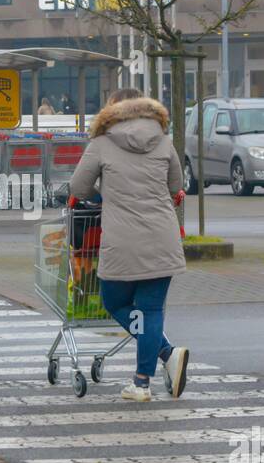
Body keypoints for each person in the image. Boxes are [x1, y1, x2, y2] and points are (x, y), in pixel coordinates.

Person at [69, 88, 190, 401]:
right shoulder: (164, 141)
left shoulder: (101, 144)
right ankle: (144, 379)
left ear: (113, 111)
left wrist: (105, 193)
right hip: (163, 238)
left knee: (114, 301)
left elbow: (79, 187)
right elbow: (176, 187)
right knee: (151, 310)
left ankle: (161, 357)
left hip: (122, 242)